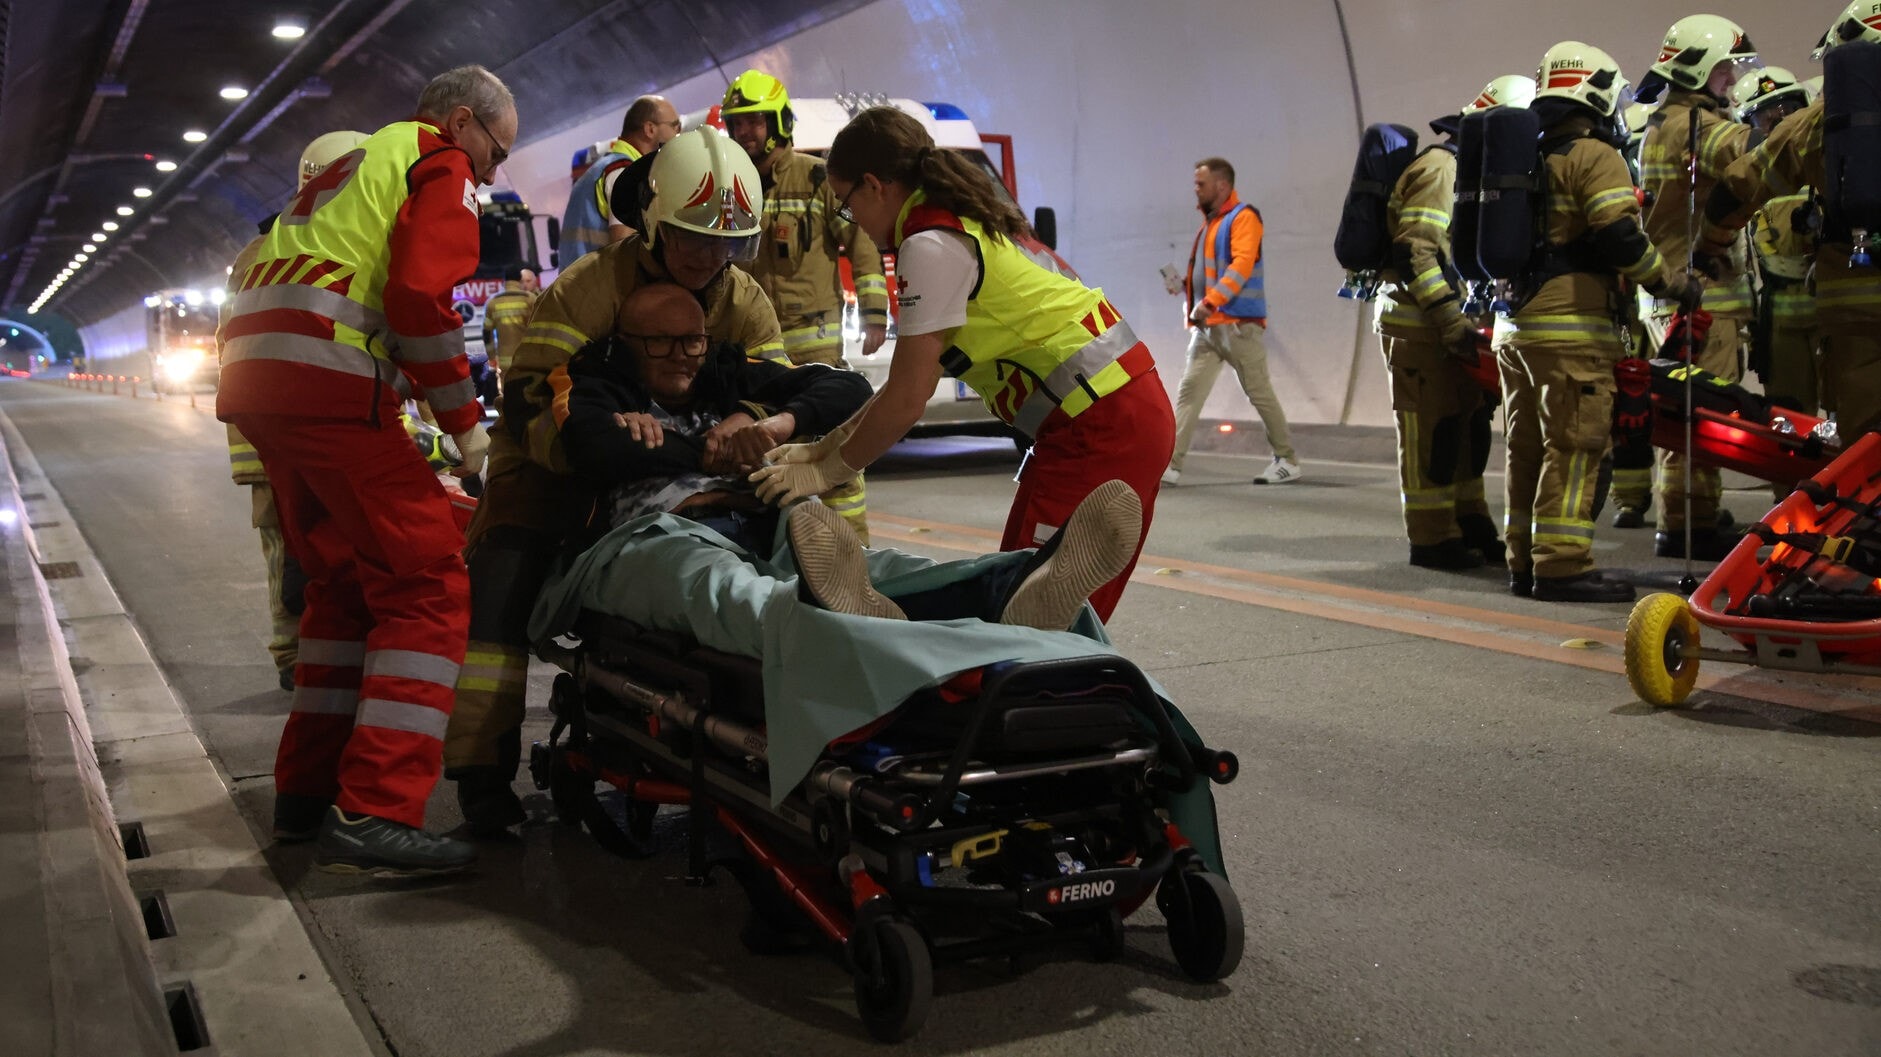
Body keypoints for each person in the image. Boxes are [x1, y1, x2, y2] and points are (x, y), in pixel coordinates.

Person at [217, 65, 517, 877]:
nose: (492, 174)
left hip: (259, 376)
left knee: (346, 586)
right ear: (462, 123)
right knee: (428, 584)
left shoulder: (351, 166)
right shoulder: (434, 161)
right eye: (496, 151)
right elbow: (423, 299)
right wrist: (470, 435)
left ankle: (304, 796)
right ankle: (378, 807)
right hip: (325, 380)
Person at [445, 128, 785, 833]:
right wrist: (597, 456)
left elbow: (771, 389)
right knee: (501, 591)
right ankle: (481, 778)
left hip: (687, 468)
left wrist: (744, 426)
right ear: (656, 223)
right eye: (693, 237)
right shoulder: (589, 287)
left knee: (764, 551)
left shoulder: (743, 300)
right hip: (549, 467)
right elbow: (531, 396)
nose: (707, 256)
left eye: (725, 242)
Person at [752, 105, 1172, 622]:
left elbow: (908, 398)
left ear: (874, 185)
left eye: (846, 205)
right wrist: (823, 452)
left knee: (1030, 620)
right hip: (1106, 413)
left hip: (1102, 425)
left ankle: (909, 635)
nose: (852, 220)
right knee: (1020, 590)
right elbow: (903, 388)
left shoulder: (929, 247)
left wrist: (832, 471)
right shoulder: (960, 219)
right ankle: (920, 629)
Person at [1495, 42, 1700, 603]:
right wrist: (1671, 283)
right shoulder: (1593, 153)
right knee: (1577, 446)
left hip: (1515, 326)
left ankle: (1524, 560)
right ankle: (1561, 566)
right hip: (1573, 329)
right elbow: (1619, 236)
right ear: (1596, 88)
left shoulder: (1527, 154)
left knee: (1527, 448)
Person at [218, 130, 369, 692]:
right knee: (291, 547)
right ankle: (294, 657)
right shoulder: (273, 253)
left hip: (299, 427)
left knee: (317, 545)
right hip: (274, 434)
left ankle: (324, 651)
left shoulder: (308, 245)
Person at [560, 282, 872, 553]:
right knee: (737, 589)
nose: (680, 355)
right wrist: (720, 449)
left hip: (779, 527)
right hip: (675, 539)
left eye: (693, 340)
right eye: (660, 341)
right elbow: (592, 446)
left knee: (886, 571)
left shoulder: (725, 373)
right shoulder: (600, 390)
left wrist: (770, 420)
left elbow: (851, 388)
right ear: (626, 344)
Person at [721, 70, 890, 542]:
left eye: (754, 121)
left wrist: (875, 312)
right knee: (763, 450)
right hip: (756, 354)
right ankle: (793, 548)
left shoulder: (815, 177)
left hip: (815, 349)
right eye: (737, 123)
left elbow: (860, 242)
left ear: (778, 121)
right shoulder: (732, 186)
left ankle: (854, 548)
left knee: (831, 446)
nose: (744, 132)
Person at [1616, 14, 1761, 558]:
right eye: (1726, 66)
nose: (1732, 77)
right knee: (1700, 416)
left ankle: (1689, 515)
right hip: (1701, 298)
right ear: (1701, 68)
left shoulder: (1662, 123)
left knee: (1682, 408)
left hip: (1670, 295)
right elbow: (1762, 156)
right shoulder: (1702, 129)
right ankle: (1687, 524)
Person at [1373, 76, 1532, 571]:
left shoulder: (1466, 169)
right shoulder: (1442, 169)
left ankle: (1469, 520)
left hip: (1448, 327)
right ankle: (1432, 538)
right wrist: (1448, 320)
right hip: (1419, 328)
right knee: (1431, 433)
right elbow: (1416, 248)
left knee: (1466, 427)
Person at [1704, 3, 1881, 439]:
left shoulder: (1822, 122)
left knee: (1866, 434)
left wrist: (1710, 244)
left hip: (1855, 298)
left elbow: (1737, 186)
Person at [1163, 157, 1299, 486]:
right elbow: (1211, 274)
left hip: (1237, 324)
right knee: (1188, 394)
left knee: (1258, 391)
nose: (1195, 189)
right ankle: (1170, 465)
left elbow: (1240, 267)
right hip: (1209, 327)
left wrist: (1209, 302)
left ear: (1222, 185)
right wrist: (1184, 287)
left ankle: (1287, 459)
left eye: (1201, 184)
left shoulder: (1243, 218)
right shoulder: (1211, 223)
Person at [1735, 69, 1819, 421]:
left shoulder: (1825, 159)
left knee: (1854, 409)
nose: (1779, 118)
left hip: (1831, 302)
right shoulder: (1747, 175)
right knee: (1790, 416)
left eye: (1786, 106)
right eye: (1765, 114)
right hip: (1778, 316)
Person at [559, 95, 682, 264]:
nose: (679, 134)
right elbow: (626, 249)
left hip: (575, 285)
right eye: (676, 126)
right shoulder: (623, 172)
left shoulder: (598, 170)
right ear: (650, 129)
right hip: (598, 287)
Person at [481, 265, 537, 378]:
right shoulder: (530, 299)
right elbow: (540, 329)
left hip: (505, 364)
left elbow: (487, 333)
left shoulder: (492, 302)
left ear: (504, 280)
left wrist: (491, 358)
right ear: (520, 279)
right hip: (529, 361)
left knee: (508, 393)